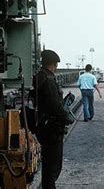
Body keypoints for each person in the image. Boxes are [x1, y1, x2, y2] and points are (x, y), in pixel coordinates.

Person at [33, 49, 73, 189]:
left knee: (48, 164)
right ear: (53, 64)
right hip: (52, 128)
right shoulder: (49, 80)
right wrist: (66, 117)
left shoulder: (39, 77)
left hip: (44, 125)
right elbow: (55, 105)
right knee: (53, 165)